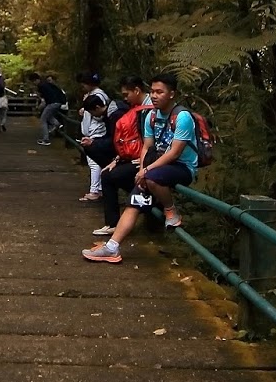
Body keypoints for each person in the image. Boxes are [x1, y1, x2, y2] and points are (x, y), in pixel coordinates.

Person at [82, 73, 196, 263]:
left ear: (172, 94)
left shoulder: (183, 117)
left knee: (151, 177)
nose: (155, 95)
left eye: (160, 92)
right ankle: (112, 248)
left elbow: (175, 153)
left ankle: (171, 211)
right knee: (133, 201)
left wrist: (146, 171)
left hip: (181, 167)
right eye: (152, 91)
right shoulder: (151, 115)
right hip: (155, 166)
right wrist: (143, 168)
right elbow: (146, 146)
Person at [92, 76, 150, 237]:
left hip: (148, 159)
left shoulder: (150, 109)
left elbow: (152, 138)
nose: (125, 99)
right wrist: (117, 159)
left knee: (114, 177)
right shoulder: (139, 108)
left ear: (137, 90)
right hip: (138, 155)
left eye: (126, 94)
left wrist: (146, 160)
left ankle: (147, 205)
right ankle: (113, 222)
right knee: (107, 174)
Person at [75, 72, 115, 202]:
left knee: (94, 164)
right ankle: (99, 189)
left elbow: (100, 114)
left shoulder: (99, 96)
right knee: (94, 163)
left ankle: (95, 190)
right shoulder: (93, 95)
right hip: (92, 132)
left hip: (97, 133)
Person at [29, 72, 66, 146]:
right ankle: (57, 124)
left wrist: (38, 108)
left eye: (33, 81)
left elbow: (44, 100)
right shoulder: (46, 84)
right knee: (48, 116)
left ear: (36, 80)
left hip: (52, 103)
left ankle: (46, 139)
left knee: (43, 119)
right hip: (58, 103)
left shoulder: (41, 86)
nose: (34, 83)